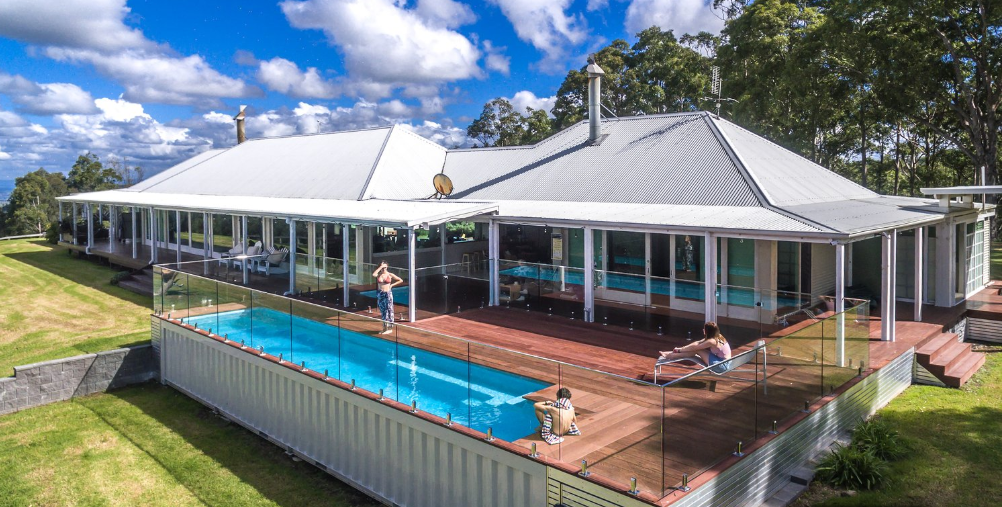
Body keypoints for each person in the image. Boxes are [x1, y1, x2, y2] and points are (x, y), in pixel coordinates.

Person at [659, 321, 731, 368]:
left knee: (698, 350)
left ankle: (670, 355)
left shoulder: (712, 341)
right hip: (725, 362)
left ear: (707, 331)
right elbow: (697, 343)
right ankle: (671, 354)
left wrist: (680, 350)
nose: (703, 330)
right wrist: (681, 348)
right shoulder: (717, 336)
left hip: (721, 365)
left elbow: (695, 348)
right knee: (697, 349)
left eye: (704, 329)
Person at [372, 261, 403, 334]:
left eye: (385, 267)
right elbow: (374, 274)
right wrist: (381, 267)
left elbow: (400, 280)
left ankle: (389, 328)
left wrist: (392, 285)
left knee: (388, 310)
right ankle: (384, 327)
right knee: (382, 311)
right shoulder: (379, 275)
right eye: (382, 267)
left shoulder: (390, 274)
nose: (384, 269)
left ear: (387, 267)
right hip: (380, 293)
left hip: (388, 294)